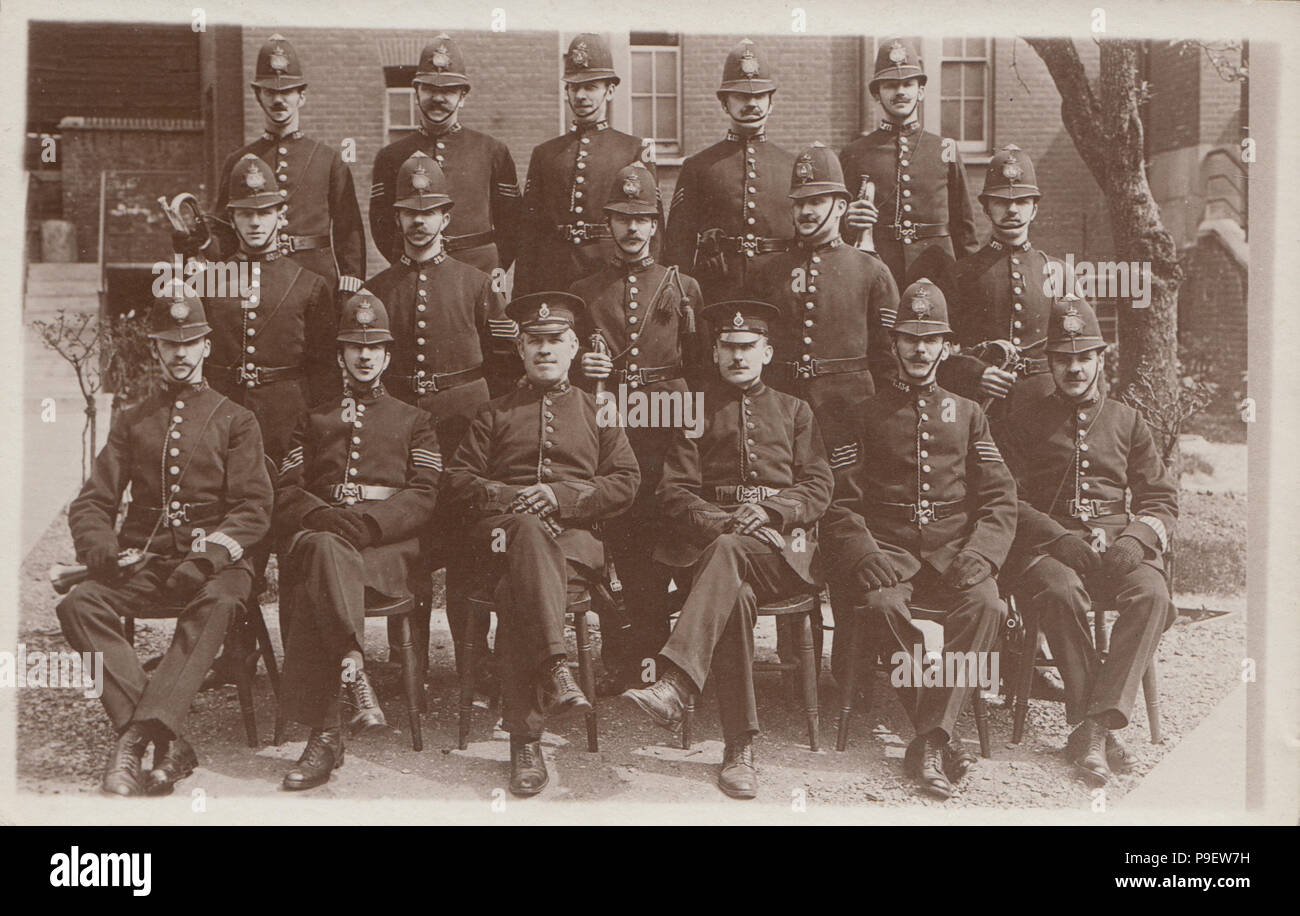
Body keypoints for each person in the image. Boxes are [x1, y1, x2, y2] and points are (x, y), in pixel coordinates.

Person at [56, 287, 272, 797]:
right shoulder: (133, 418)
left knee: (218, 603)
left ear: (207, 346)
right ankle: (167, 741)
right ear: (155, 348)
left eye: (191, 341)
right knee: (79, 605)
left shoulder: (236, 419)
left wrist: (209, 556)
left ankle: (134, 741)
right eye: (169, 343)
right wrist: (99, 548)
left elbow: (253, 508)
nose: (180, 353)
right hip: (148, 564)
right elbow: (92, 502)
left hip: (216, 566)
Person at [621, 300, 833, 799]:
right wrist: (729, 524)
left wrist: (774, 512)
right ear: (715, 352)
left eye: (748, 347)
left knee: (730, 554)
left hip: (782, 551)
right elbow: (674, 491)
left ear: (767, 352)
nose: (738, 356)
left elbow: (819, 483)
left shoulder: (795, 410)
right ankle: (740, 749)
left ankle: (675, 684)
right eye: (729, 348)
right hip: (716, 549)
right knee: (733, 595)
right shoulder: (694, 411)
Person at [821, 278, 1016, 800]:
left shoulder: (969, 413)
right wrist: (864, 552)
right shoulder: (864, 413)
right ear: (894, 344)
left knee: (989, 608)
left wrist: (982, 552)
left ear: (947, 347)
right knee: (882, 606)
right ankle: (940, 740)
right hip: (892, 554)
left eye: (930, 339)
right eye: (910, 338)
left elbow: (1000, 497)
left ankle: (929, 740)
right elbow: (840, 501)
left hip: (956, 552)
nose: (920, 348)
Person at [445, 292, 639, 796]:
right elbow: (459, 481)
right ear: (521, 349)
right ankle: (555, 668)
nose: (545, 350)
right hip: (501, 539)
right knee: (522, 546)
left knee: (517, 590)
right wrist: (513, 498)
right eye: (535, 341)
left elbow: (625, 482)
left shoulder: (600, 411)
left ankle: (525, 741)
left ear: (574, 347)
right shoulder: (493, 414)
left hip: (575, 545)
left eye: (555, 341)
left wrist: (560, 495)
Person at [999, 296, 1178, 786]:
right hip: (1048, 548)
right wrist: (1058, 538)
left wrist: (1136, 542)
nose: (1074, 368)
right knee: (1058, 592)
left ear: (1101, 358)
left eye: (1084, 357)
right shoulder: (1024, 420)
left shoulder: (1127, 420)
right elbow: (1006, 498)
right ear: (1050, 363)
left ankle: (1093, 726)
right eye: (1063, 358)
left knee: (1152, 594)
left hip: (1118, 544)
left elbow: (1161, 498)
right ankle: (1093, 728)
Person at [273, 292, 442, 790]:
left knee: (318, 571)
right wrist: (323, 514)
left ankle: (326, 734)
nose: (364, 357)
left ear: (388, 356)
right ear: (340, 354)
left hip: (384, 550)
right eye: (353, 347)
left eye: (374, 348)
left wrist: (371, 523)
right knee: (323, 548)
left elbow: (425, 494)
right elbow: (286, 491)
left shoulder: (416, 420)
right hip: (324, 534)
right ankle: (353, 666)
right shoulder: (314, 418)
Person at [364, 150, 518, 690]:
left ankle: (477, 669)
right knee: (412, 548)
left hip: (465, 431)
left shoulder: (477, 284)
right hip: (406, 435)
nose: (419, 220)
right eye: (409, 211)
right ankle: (412, 670)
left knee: (472, 551)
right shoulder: (378, 292)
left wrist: (487, 436)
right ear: (397, 219)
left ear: (447, 217)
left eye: (429, 211)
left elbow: (504, 369)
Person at [569, 162, 704, 686]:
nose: (631, 228)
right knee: (618, 538)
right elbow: (570, 366)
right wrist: (587, 367)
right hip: (612, 423)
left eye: (642, 218)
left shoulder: (682, 286)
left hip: (667, 425)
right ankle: (623, 658)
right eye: (621, 218)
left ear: (655, 224)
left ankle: (666, 659)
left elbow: (696, 366)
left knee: (666, 536)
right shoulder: (585, 289)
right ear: (609, 223)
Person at [181, 34, 365, 296]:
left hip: (316, 277)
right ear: (258, 96)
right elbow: (224, 229)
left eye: (287, 91)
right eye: (270, 91)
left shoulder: (329, 159)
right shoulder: (239, 161)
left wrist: (349, 285)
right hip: (254, 279)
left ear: (302, 96)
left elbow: (349, 232)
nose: (279, 100)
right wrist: (201, 240)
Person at [200, 153, 337, 470]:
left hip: (287, 421)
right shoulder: (210, 282)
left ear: (281, 214)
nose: (255, 222)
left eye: (264, 212)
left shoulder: (309, 285)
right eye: (246, 214)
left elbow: (325, 372)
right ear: (232, 219)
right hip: (222, 414)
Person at [515, 33, 659, 295]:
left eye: (591, 87)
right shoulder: (545, 154)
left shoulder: (634, 149)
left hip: (609, 275)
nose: (581, 95)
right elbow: (529, 233)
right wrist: (523, 297)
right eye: (574, 86)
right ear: (566, 91)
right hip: (553, 274)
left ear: (610, 91)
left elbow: (653, 228)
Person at [941, 144, 1073, 424]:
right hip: (984, 412)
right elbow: (939, 352)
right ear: (986, 208)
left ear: (1035, 209)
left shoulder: (1058, 272)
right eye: (1001, 201)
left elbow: (1080, 348)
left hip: (1046, 412)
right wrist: (974, 374)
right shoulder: (961, 273)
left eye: (1022, 201)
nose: (1012, 209)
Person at [369, 33, 521, 274]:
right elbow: (382, 224)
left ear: (463, 97)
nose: (438, 98)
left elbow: (512, 223)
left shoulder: (493, 151)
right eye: (429, 88)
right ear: (416, 92)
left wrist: (493, 268)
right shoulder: (391, 156)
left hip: (478, 269)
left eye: (449, 91)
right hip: (414, 271)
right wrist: (406, 262)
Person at [838, 38, 978, 299]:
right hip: (878, 269)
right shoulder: (854, 153)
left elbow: (964, 230)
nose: (900, 92)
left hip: (937, 272)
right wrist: (847, 220)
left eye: (908, 84)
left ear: (921, 91)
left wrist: (967, 288)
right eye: (890, 85)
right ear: (876, 94)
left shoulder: (945, 148)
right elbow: (838, 227)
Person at [663, 38, 795, 303]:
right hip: (717, 291)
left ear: (772, 102)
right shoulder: (698, 167)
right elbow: (679, 243)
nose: (752, 103)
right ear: (724, 103)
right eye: (742, 96)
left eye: (759, 95)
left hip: (778, 290)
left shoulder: (792, 166)